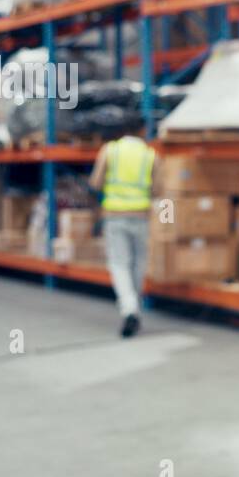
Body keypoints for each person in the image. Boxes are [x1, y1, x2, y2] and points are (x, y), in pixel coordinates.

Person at [88, 129, 159, 338]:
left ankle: (129, 310)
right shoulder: (151, 155)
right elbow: (158, 189)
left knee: (120, 264)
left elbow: (95, 182)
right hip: (141, 216)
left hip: (115, 215)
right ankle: (134, 307)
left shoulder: (110, 151)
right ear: (141, 131)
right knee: (139, 263)